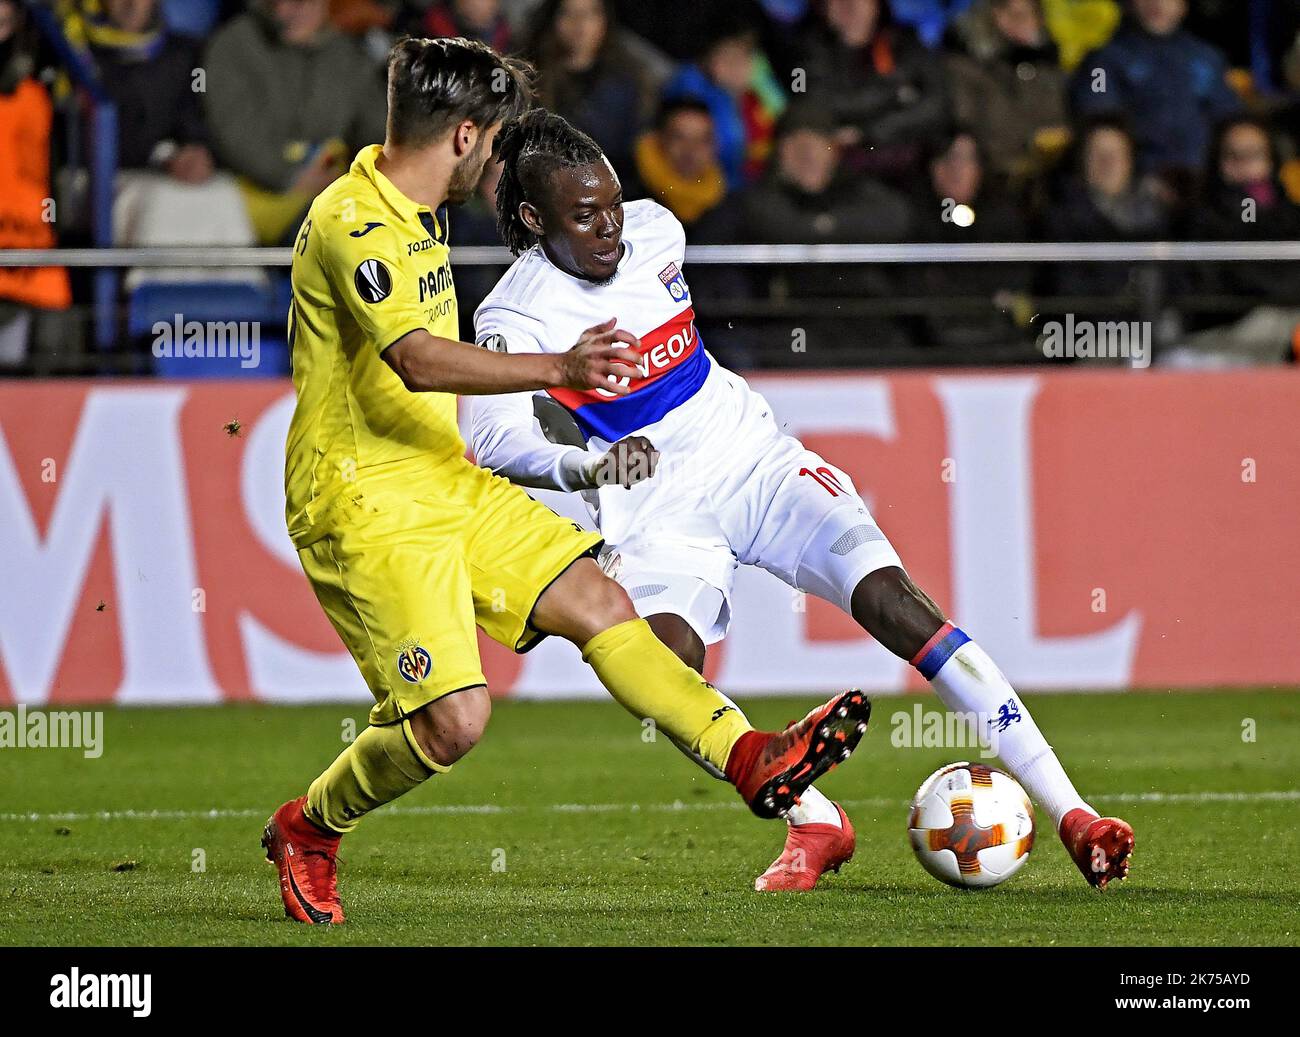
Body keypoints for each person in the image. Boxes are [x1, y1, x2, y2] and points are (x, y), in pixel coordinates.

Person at [262, 37, 872, 925]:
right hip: (363, 503)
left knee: (601, 601)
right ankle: (311, 827)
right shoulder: (354, 221)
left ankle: (752, 759)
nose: (501, 162)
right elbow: (419, 361)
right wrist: (561, 363)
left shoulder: (417, 202)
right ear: (465, 135)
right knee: (453, 723)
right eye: (497, 139)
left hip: (442, 478)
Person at [470, 108, 1136, 892]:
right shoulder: (513, 315)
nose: (610, 226)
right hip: (652, 505)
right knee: (663, 666)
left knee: (895, 601)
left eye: (613, 202)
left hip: (753, 460)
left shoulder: (657, 228)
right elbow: (492, 440)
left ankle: (1073, 813)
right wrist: (588, 467)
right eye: (584, 216)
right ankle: (814, 818)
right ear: (531, 218)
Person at [204, 0, 388, 244]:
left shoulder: (348, 52)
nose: (283, 11)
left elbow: (377, 128)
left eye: (299, 3)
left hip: (333, 191)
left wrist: (365, 176)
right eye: (276, 1)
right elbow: (232, 128)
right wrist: (291, 175)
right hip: (248, 198)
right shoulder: (235, 43)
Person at [1070, 0, 1240, 182]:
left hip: (1204, 178)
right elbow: (1099, 119)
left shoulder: (1207, 58)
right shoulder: (1101, 63)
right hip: (1139, 179)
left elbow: (1230, 119)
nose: (1158, 3)